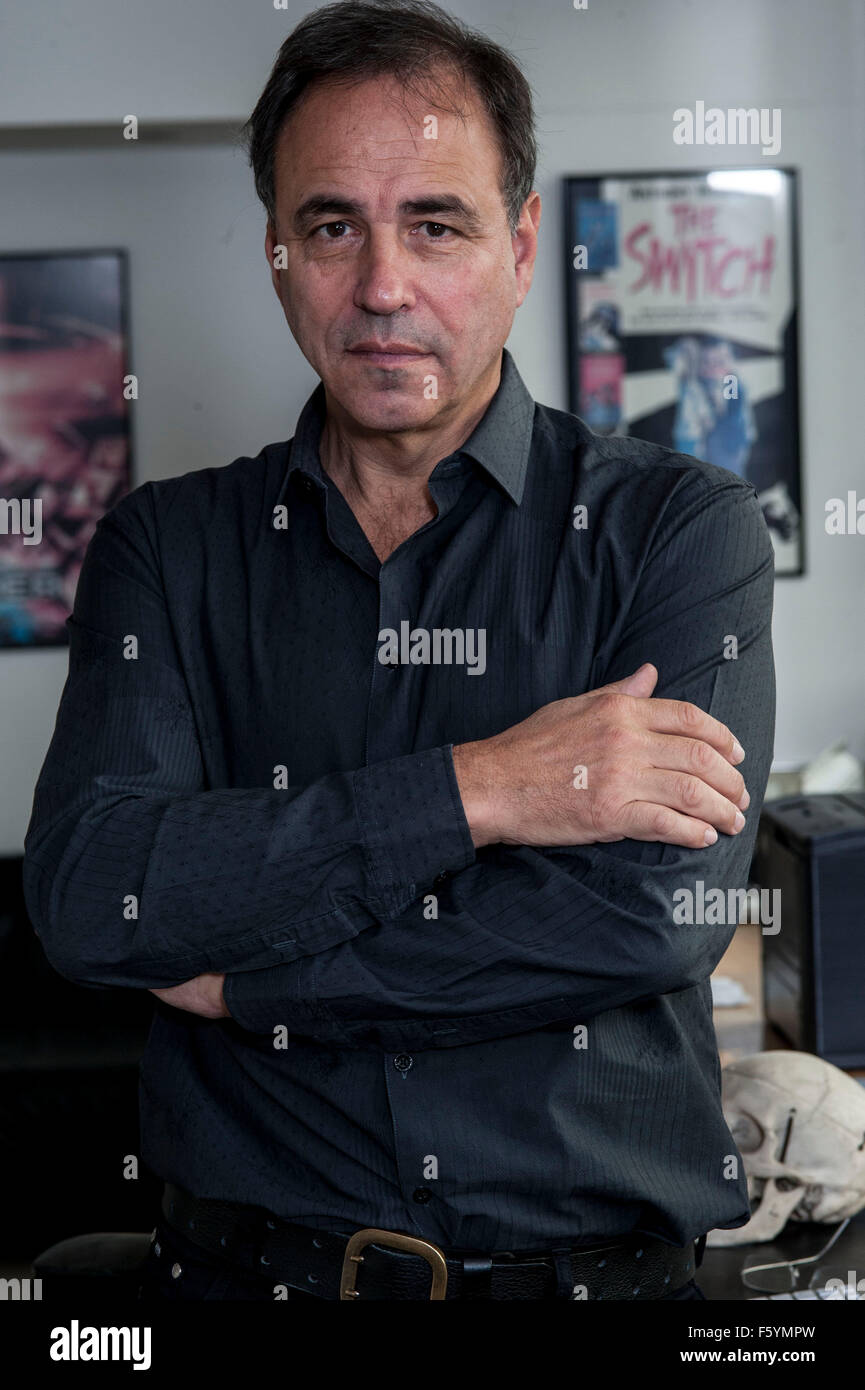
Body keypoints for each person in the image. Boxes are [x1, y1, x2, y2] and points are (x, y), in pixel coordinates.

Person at [22, 0, 775, 1302]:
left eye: (435, 222)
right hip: (243, 1281)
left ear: (523, 242)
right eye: (331, 226)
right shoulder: (167, 548)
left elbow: (649, 918)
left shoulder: (676, 532)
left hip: (590, 1290)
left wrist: (258, 979)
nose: (381, 283)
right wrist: (483, 787)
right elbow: (97, 895)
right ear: (275, 249)